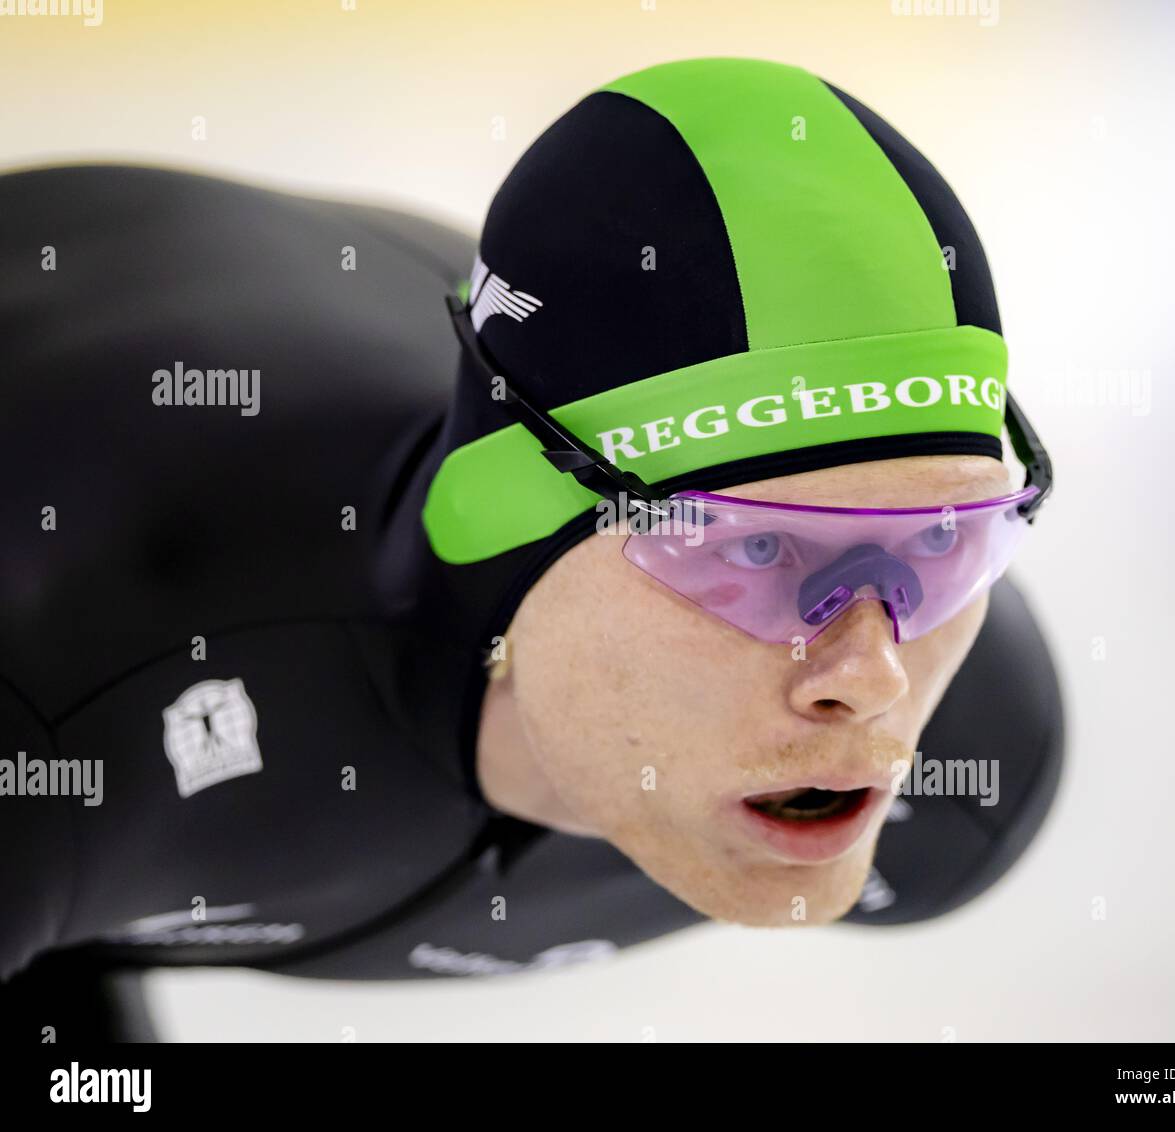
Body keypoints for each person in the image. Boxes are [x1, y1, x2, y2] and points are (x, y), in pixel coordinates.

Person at [0, 57, 1063, 1040]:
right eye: (751, 553)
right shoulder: (70, 683)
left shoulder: (970, 781)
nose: (872, 678)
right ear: (513, 516)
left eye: (938, 541)